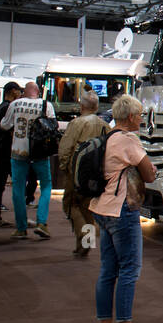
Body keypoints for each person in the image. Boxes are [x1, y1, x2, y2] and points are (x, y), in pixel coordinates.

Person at [88, 94, 157, 323]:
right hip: (122, 210)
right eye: (139, 115)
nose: (141, 119)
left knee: (108, 270)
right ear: (130, 117)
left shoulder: (107, 138)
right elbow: (149, 173)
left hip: (102, 208)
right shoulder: (128, 139)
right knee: (130, 269)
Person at [1, 80, 56, 240]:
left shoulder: (16, 104)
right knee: (46, 186)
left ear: (24, 92)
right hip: (39, 152)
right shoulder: (46, 105)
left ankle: (21, 228)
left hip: (18, 151)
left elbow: (4, 125)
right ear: (38, 92)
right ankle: (41, 223)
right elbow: (53, 125)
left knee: (18, 189)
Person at [58, 91, 108, 257]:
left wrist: (64, 166)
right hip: (96, 174)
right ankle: (84, 244)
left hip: (76, 172)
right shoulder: (104, 125)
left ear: (82, 105)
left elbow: (66, 148)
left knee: (70, 204)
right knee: (87, 208)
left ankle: (85, 235)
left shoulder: (77, 123)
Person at [0, 82, 22, 230]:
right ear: (13, 91)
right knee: (6, 184)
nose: (20, 94)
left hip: (1, 149)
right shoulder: (9, 107)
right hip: (6, 150)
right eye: (19, 91)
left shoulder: (1, 106)